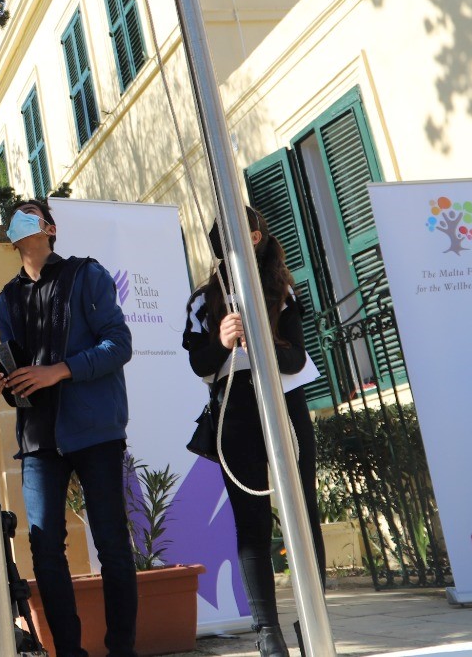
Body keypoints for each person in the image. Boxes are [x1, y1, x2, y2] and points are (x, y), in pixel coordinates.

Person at [0, 198, 137, 657]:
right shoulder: (6, 298)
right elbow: (17, 382)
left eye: (30, 215)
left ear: (50, 228)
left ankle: (121, 650)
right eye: (14, 218)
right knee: (45, 548)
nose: (20, 223)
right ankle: (68, 652)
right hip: (37, 438)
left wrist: (60, 369)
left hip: (96, 431)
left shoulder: (87, 275)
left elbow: (119, 344)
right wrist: (3, 383)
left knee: (111, 543)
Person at [181, 208, 324, 657]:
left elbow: (297, 359)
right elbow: (199, 365)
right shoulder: (204, 301)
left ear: (258, 235)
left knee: (303, 511)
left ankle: (312, 622)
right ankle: (268, 632)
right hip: (235, 411)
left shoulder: (283, 289)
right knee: (252, 521)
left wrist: (262, 339)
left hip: (285, 404)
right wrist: (221, 343)